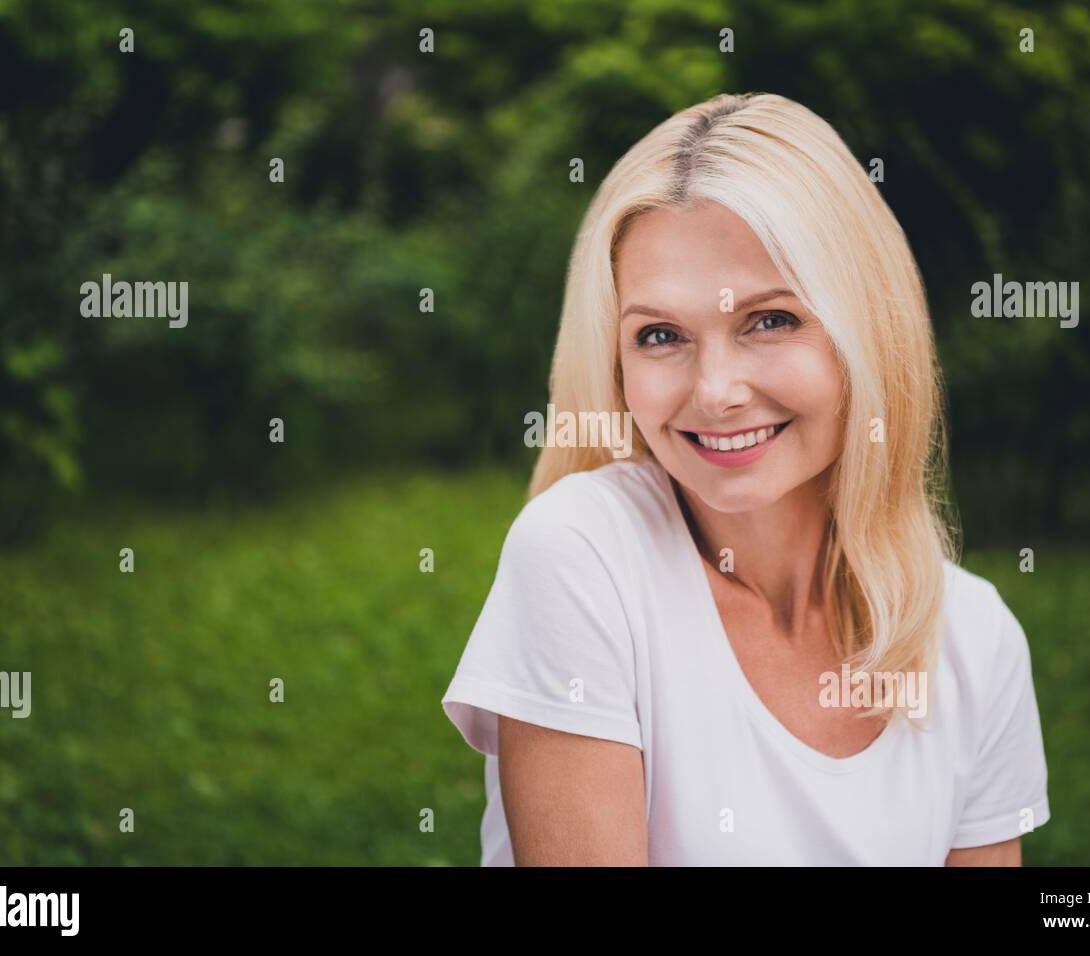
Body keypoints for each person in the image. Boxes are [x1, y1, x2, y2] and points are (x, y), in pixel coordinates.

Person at [441, 92, 1050, 866]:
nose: (716, 390)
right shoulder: (581, 557)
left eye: (771, 321)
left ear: (869, 328)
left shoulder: (976, 639)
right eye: (661, 335)